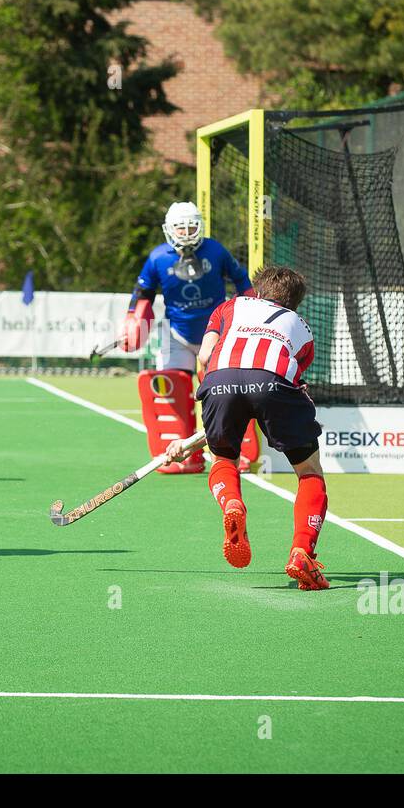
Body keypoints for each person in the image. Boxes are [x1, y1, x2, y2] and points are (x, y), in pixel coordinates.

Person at [165, 265, 329, 590]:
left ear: (256, 291)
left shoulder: (229, 307)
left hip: (219, 379)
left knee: (223, 459)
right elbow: (276, 386)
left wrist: (209, 420)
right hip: (274, 383)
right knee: (310, 473)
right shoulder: (303, 328)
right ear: (295, 303)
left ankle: (232, 503)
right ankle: (302, 552)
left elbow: (206, 356)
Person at [122, 201, 256, 473]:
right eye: (179, 228)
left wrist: (250, 314)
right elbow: (141, 294)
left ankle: (232, 453)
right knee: (172, 391)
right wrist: (131, 318)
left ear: (200, 225)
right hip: (177, 334)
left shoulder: (216, 250)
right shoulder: (158, 257)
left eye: (190, 226)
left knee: (225, 391)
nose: (185, 232)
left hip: (217, 332)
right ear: (169, 230)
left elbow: (242, 281)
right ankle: (182, 457)